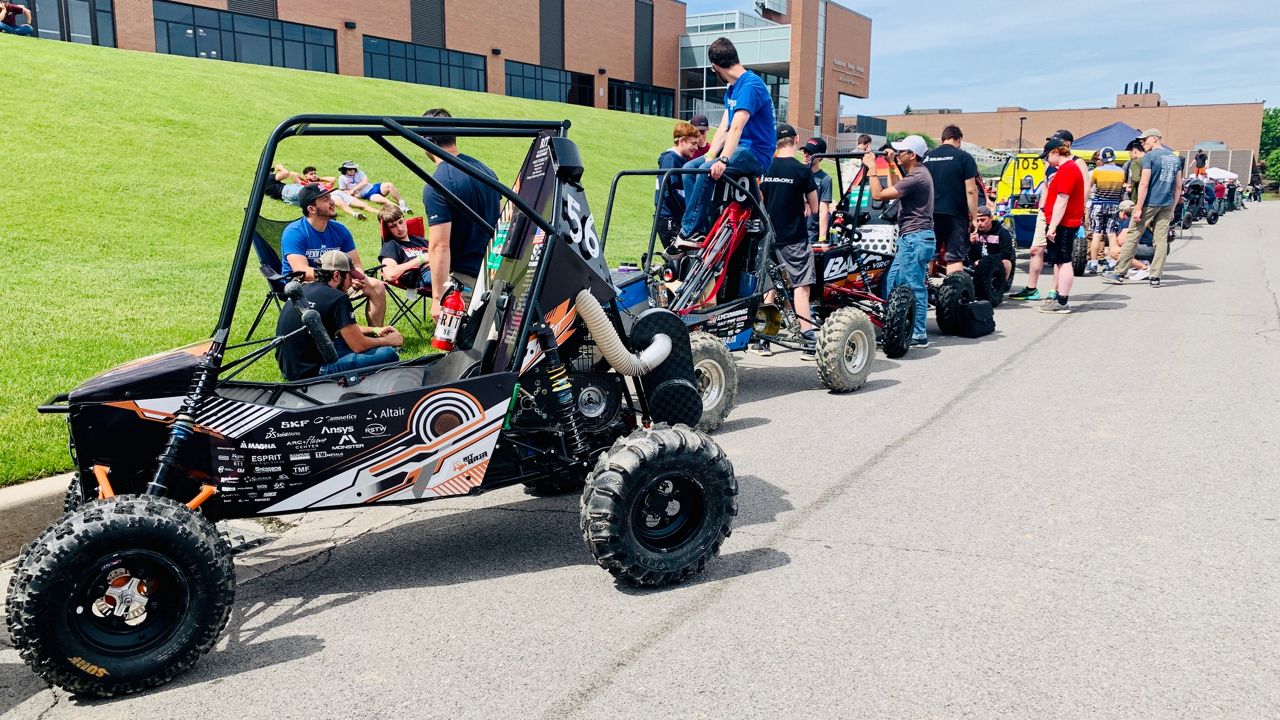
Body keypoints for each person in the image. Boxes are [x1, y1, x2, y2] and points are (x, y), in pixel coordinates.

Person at [673, 37, 776, 246]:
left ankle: (689, 230)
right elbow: (724, 128)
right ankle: (698, 232)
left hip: (755, 153)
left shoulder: (751, 85)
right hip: (738, 149)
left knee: (707, 170)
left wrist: (723, 160)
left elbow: (737, 127)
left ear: (715, 67)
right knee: (689, 168)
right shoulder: (732, 89)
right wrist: (710, 155)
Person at [420, 108, 501, 322]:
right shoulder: (487, 171)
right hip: (495, 275)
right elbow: (503, 220)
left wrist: (437, 298)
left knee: (457, 342)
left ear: (425, 140)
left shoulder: (437, 184)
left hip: (463, 283)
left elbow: (439, 246)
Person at [275, 250, 402, 381]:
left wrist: (376, 330)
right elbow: (358, 345)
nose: (351, 283)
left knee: (351, 341)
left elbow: (346, 330)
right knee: (388, 354)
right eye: (350, 278)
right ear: (337, 275)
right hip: (313, 372)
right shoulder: (338, 298)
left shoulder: (302, 289)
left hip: (289, 368)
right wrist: (388, 341)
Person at [281, 183, 387, 326]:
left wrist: (357, 277)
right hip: (305, 285)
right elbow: (302, 271)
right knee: (330, 291)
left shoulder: (340, 230)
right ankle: (343, 335)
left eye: (330, 197)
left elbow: (356, 264)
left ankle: (378, 334)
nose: (332, 202)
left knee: (377, 286)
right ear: (311, 209)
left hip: (339, 281)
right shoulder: (294, 232)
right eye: (325, 199)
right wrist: (339, 278)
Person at [864, 134, 934, 348]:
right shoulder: (916, 173)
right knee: (892, 281)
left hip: (915, 237)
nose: (898, 153)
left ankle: (919, 333)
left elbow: (879, 195)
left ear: (912, 155)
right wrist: (891, 164)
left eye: (901, 151)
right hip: (912, 237)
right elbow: (897, 191)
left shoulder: (917, 177)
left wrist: (872, 169)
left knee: (913, 286)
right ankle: (894, 326)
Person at [757, 124, 820, 358]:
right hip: (794, 238)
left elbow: (760, 200)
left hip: (768, 238)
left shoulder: (765, 168)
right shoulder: (802, 171)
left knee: (770, 287)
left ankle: (764, 340)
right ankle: (807, 338)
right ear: (796, 139)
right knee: (801, 287)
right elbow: (815, 207)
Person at [1103, 128, 1182, 288]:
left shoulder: (1149, 157)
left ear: (1155, 138)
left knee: (1132, 236)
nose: (1142, 143)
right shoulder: (1174, 158)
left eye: (1145, 140)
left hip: (1149, 203)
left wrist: (1138, 207)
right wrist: (1173, 208)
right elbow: (1178, 186)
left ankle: (1119, 273)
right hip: (1166, 203)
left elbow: (1144, 184)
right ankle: (1155, 276)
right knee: (1160, 241)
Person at [922, 124, 979, 275]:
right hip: (955, 215)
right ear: (958, 139)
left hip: (929, 214)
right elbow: (971, 190)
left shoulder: (926, 158)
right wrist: (974, 218)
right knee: (954, 257)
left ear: (943, 139)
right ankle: (954, 288)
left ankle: (922, 287)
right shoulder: (964, 158)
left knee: (928, 255)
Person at [1038, 137, 1085, 313]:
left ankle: (1062, 300)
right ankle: (1060, 298)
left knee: (1064, 260)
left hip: (1064, 222)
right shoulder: (1068, 168)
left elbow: (1062, 200)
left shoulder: (1067, 169)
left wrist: (1052, 227)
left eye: (1047, 156)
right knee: (1060, 260)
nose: (1046, 160)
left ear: (1055, 152)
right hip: (1064, 221)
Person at [656, 122, 703, 249]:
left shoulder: (683, 160)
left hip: (676, 217)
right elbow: (669, 192)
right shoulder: (670, 160)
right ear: (682, 141)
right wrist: (689, 208)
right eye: (693, 143)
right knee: (677, 254)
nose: (696, 148)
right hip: (669, 218)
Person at [1087, 146, 1125, 275]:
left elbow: (1089, 187)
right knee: (1112, 234)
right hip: (1114, 205)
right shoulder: (1121, 172)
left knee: (1096, 234)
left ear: (1101, 158)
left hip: (1098, 204)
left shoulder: (1097, 171)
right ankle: (1112, 263)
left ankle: (1093, 263)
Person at [378, 204, 430, 289]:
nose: (399, 228)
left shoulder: (420, 240)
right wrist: (421, 259)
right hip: (424, 276)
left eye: (401, 222)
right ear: (387, 229)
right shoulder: (391, 245)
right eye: (393, 226)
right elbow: (391, 274)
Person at [337, 161, 410, 214]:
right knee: (383, 200)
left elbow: (365, 182)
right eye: (349, 169)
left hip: (374, 187)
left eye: (353, 168)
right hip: (368, 194)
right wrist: (349, 192)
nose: (352, 170)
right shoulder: (342, 178)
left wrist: (353, 189)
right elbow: (343, 190)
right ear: (345, 170)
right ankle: (401, 209)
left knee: (389, 185)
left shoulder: (359, 173)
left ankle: (401, 202)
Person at [970, 206, 1014, 286]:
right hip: (977, 263)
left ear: (991, 218)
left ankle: (1002, 285)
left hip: (995, 263)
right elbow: (967, 254)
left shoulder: (1002, 233)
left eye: (983, 220)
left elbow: (1006, 253)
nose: (979, 223)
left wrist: (986, 261)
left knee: (1006, 262)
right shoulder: (974, 232)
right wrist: (970, 244)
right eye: (977, 221)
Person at [801, 137, 833, 244]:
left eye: (810, 153)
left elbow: (824, 211)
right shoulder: (795, 173)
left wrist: (822, 239)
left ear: (820, 157)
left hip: (811, 234)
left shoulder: (825, 179)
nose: (806, 155)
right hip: (793, 232)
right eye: (805, 151)